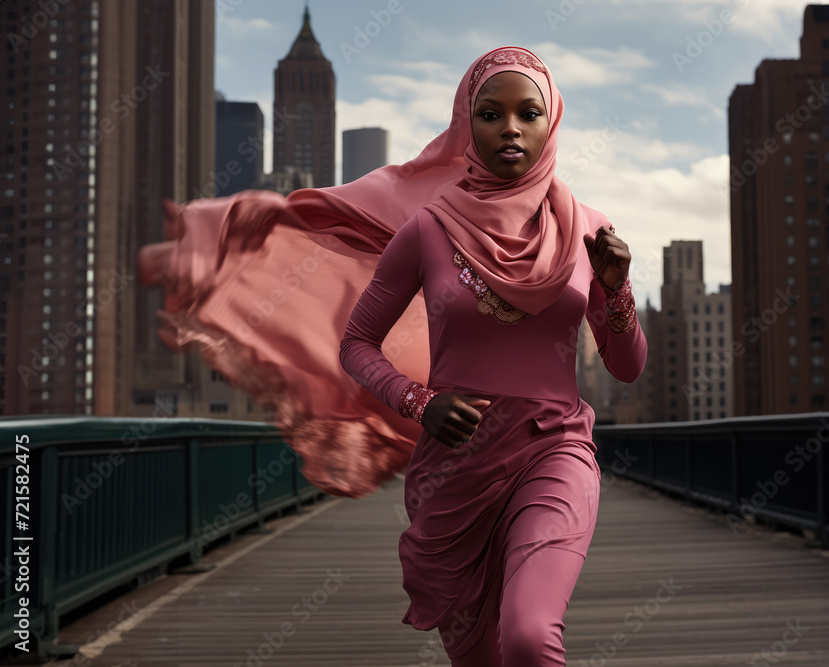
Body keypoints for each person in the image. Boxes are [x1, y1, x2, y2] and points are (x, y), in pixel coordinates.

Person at [139, 46, 646, 666]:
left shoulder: (589, 230)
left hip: (555, 449)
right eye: (490, 114)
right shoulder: (429, 230)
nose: (510, 128)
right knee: (481, 655)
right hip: (456, 471)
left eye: (528, 112)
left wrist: (617, 290)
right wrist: (421, 403)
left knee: (528, 635)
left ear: (551, 123)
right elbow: (356, 344)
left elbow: (626, 366)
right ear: (468, 126)